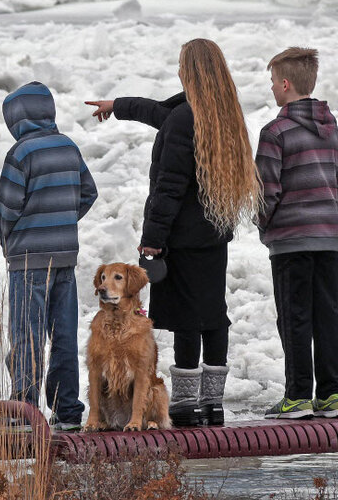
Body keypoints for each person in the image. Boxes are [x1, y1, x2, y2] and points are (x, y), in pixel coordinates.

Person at [86, 39, 261, 426]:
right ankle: (212, 403)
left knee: (186, 319)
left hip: (181, 239)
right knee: (214, 317)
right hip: (214, 233)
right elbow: (161, 111)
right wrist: (119, 106)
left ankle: (183, 405)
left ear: (191, 72)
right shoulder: (221, 112)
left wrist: (152, 239)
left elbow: (170, 186)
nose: (179, 71)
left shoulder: (185, 119)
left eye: (183, 66)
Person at [0, 81, 98, 432]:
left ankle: (23, 410)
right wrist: (64, 221)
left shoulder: (21, 154)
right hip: (65, 258)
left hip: (28, 262)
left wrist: (12, 242)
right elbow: (88, 192)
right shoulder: (68, 146)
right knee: (63, 334)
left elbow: (6, 207)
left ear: (18, 120)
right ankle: (67, 410)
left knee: (28, 334)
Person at [255, 47, 338, 419]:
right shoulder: (332, 128)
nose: (272, 89)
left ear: (285, 83)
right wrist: (322, 213)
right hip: (327, 236)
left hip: (291, 240)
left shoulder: (275, 131)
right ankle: (331, 395)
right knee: (328, 313)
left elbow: (266, 190)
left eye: (273, 82)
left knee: (294, 315)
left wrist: (266, 225)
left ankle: (297, 396)